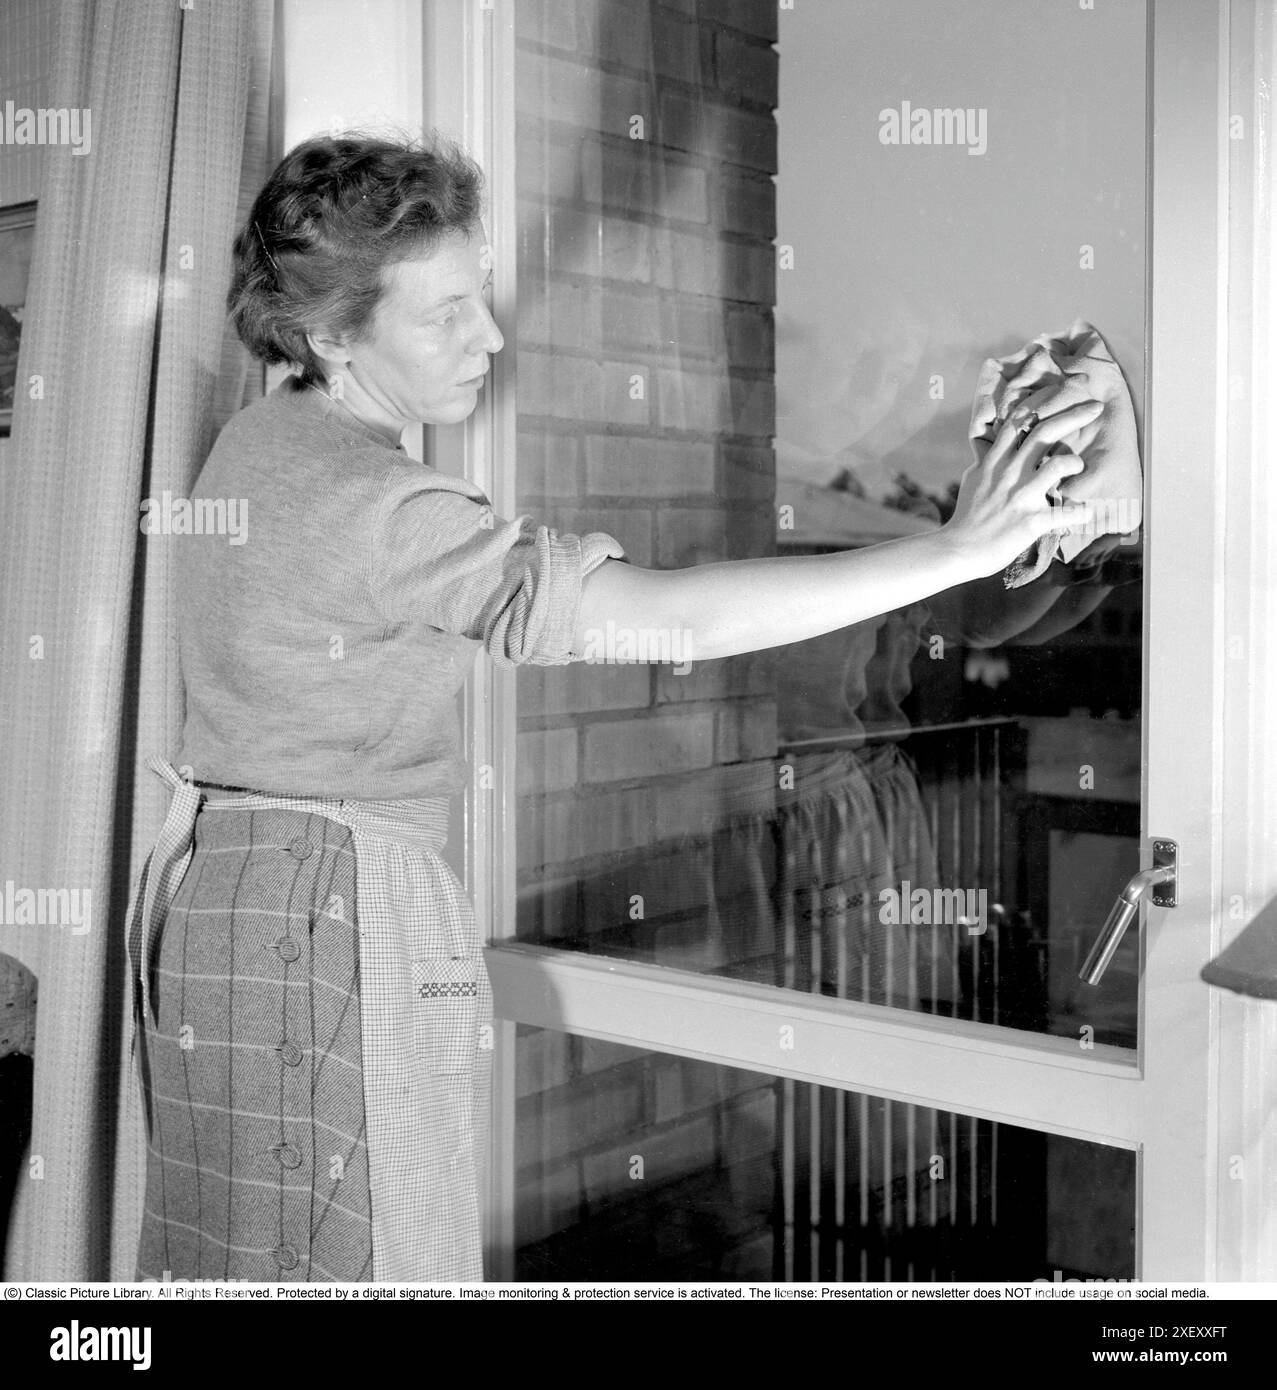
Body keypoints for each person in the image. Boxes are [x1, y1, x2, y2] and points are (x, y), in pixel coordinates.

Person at [125, 132, 1104, 1284]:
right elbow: (670, 623)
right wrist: (954, 548)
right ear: (332, 333)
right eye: (444, 313)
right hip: (329, 921)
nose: (488, 335)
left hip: (224, 901)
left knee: (243, 1249)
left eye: (479, 295)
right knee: (364, 1253)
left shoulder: (260, 440)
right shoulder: (377, 503)